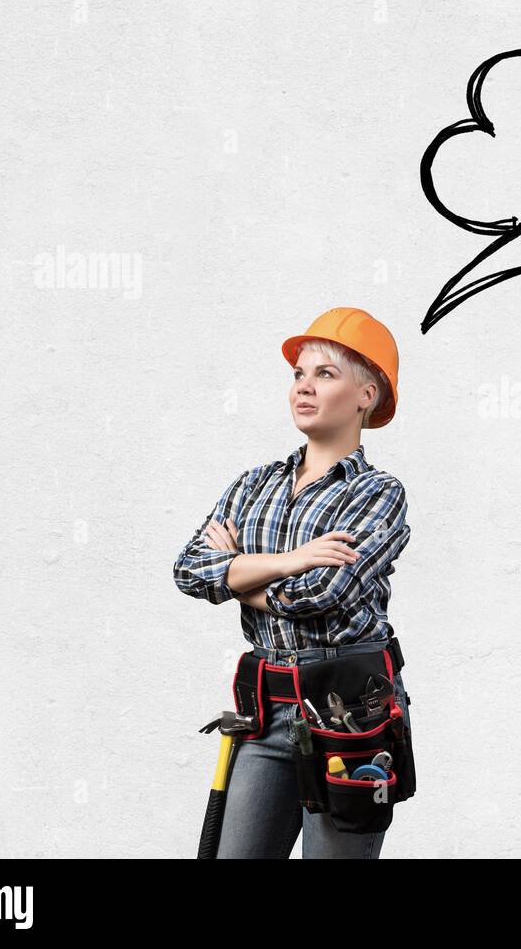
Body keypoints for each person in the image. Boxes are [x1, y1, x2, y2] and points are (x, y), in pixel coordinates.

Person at [172, 307, 413, 858]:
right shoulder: (253, 485)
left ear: (367, 394)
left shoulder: (378, 494)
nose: (303, 387)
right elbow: (188, 570)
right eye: (298, 375)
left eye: (324, 374)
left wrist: (237, 573)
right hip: (265, 707)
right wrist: (290, 561)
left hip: (351, 712)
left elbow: (321, 595)